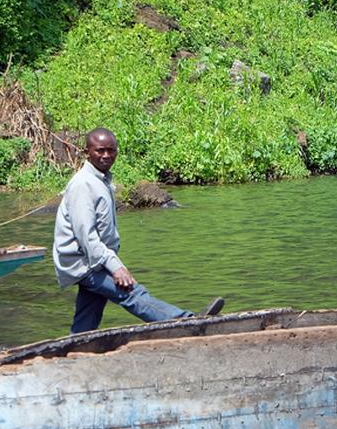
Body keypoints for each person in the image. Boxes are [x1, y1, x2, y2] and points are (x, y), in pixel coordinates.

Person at [54, 127, 222, 334]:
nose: (106, 155)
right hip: (83, 262)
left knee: (89, 313)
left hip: (94, 260)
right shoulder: (83, 185)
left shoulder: (101, 181)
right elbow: (87, 237)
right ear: (86, 151)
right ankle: (187, 322)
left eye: (111, 150)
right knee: (130, 292)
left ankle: (74, 346)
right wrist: (115, 267)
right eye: (99, 150)